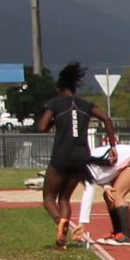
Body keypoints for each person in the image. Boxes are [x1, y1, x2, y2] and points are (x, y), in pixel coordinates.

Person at [35, 63, 112, 248]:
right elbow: (106, 119)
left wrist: (56, 120)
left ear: (59, 89)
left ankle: (60, 222)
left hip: (61, 156)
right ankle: (61, 240)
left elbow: (41, 127)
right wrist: (113, 145)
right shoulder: (86, 105)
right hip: (81, 157)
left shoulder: (56, 103)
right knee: (64, 198)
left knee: (48, 197)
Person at [82, 137, 130, 246]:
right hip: (128, 160)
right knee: (108, 195)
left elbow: (89, 190)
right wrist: (106, 187)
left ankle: (126, 236)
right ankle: (117, 233)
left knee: (116, 194)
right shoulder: (84, 165)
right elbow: (101, 176)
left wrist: (82, 222)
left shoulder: (86, 164)